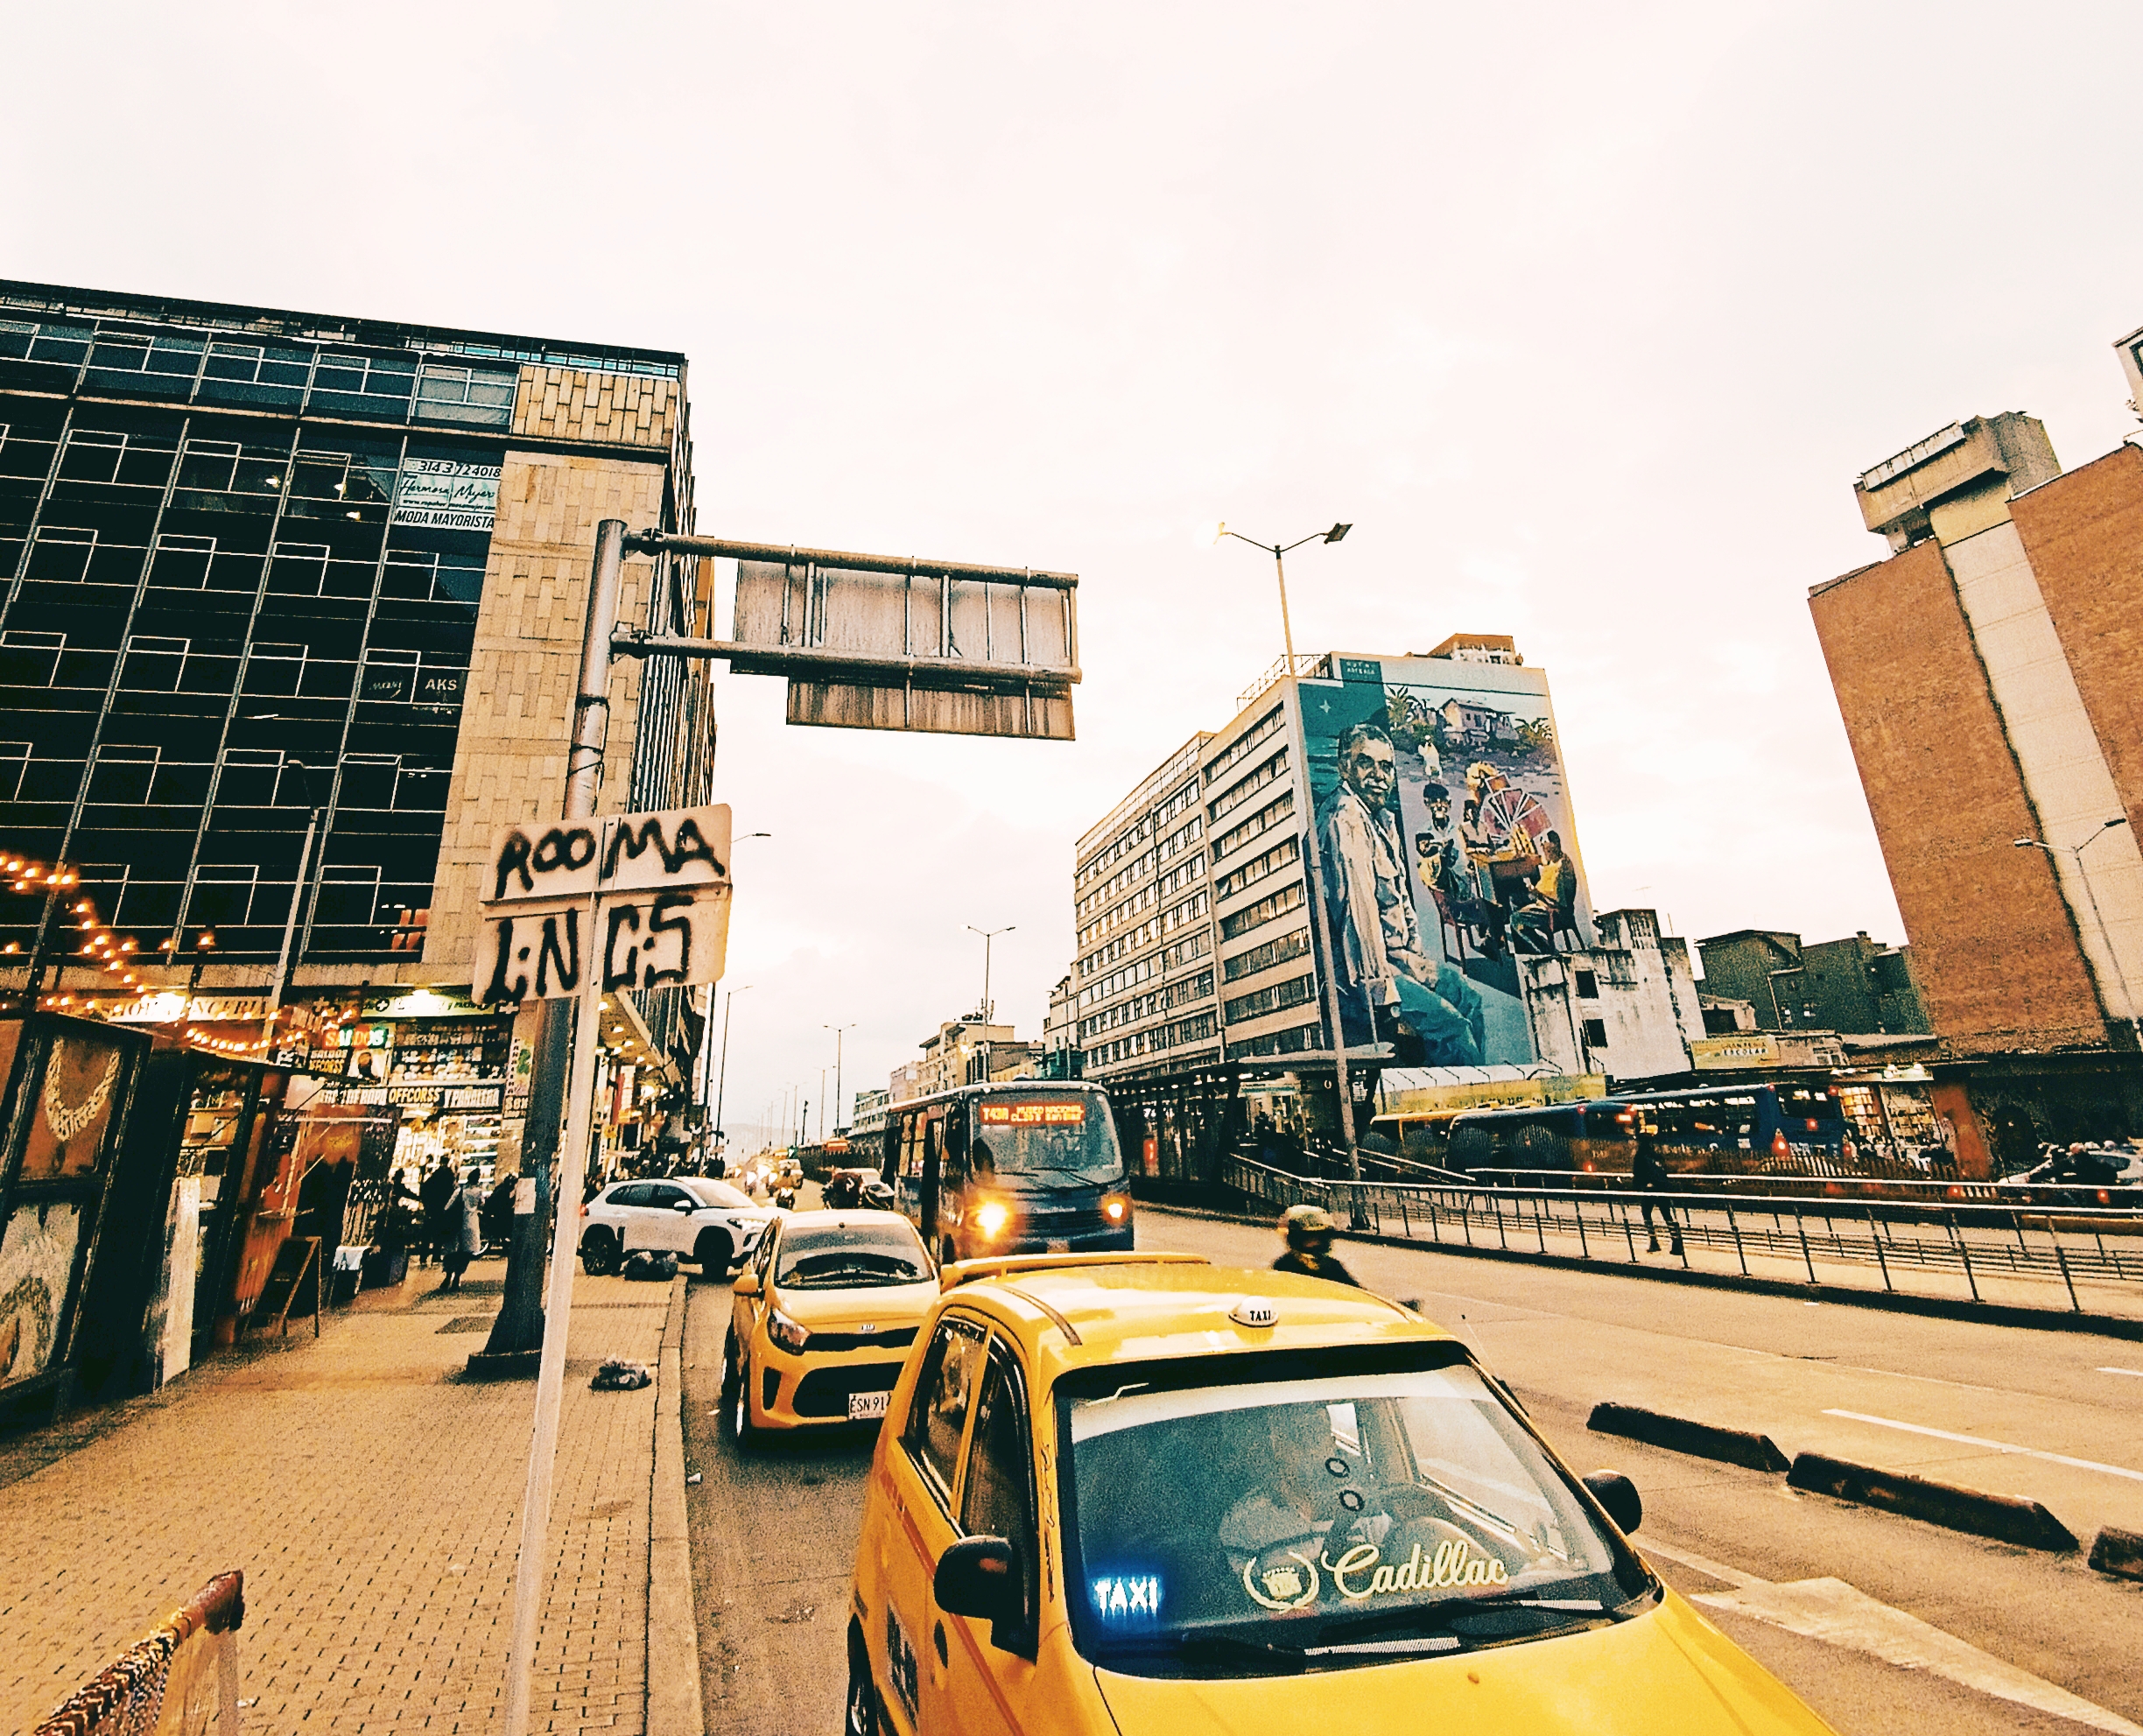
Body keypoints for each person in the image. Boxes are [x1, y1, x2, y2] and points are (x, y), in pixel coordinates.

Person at [1317, 720, 1486, 1065]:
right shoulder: (1345, 819)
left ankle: (1480, 1090)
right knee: (1454, 1028)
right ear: (1344, 767)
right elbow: (1357, 916)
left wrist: (1416, 959)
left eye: (1386, 766)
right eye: (1366, 763)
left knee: (1469, 999)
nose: (1379, 775)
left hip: (1398, 959)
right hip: (1362, 975)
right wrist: (1382, 993)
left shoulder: (1383, 819)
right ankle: (1465, 1113)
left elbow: (1402, 900)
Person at [1510, 830, 1578, 953]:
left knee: (1515, 918)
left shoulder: (1561, 868)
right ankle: (1535, 946)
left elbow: (1556, 899)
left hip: (1554, 911)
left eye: (1548, 850)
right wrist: (1528, 856)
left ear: (1555, 846)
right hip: (1545, 903)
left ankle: (1544, 949)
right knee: (1515, 900)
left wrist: (1537, 893)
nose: (1546, 854)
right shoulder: (1556, 859)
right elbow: (1542, 859)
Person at [1272, 1204, 1359, 1286]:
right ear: (1297, 1239)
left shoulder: (1332, 1266)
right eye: (1310, 1238)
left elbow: (1355, 1292)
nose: (1316, 1243)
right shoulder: (1285, 1265)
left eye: (1319, 1238)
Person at [1633, 1123, 1682, 1256]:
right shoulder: (1656, 1155)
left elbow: (1637, 1174)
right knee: (1667, 1215)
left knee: (1646, 1213)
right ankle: (1677, 1242)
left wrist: (1638, 1186)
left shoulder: (1640, 1156)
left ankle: (1654, 1241)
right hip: (1663, 1187)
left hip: (1650, 1189)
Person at [439, 1165, 485, 1292]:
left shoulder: (459, 1191)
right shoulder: (478, 1192)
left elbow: (447, 1207)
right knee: (465, 1254)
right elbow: (482, 1204)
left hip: (456, 1225)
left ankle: (448, 1276)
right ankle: (457, 1278)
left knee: (452, 1251)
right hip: (470, 1225)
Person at [418, 1158, 458, 1268]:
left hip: (431, 1211)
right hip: (441, 1211)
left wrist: (427, 1206)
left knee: (427, 1235)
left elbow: (424, 1191)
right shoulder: (448, 1180)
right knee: (438, 1236)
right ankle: (435, 1256)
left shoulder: (432, 1180)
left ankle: (423, 1256)